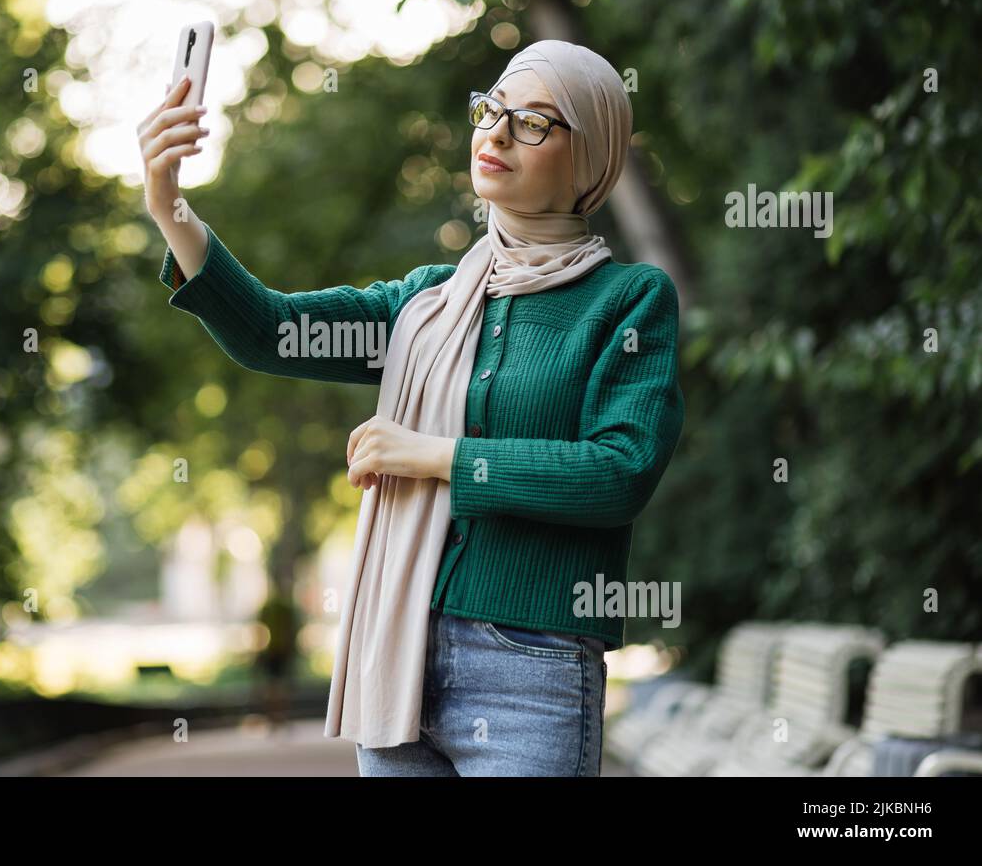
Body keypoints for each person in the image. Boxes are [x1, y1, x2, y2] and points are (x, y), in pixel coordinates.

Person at [138, 39, 684, 776]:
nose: (494, 132)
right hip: (396, 651)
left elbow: (620, 472)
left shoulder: (628, 302)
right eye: (491, 110)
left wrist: (433, 457)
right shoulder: (425, 304)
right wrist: (170, 206)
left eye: (532, 123)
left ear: (591, 159)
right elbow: (273, 332)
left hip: (535, 669)